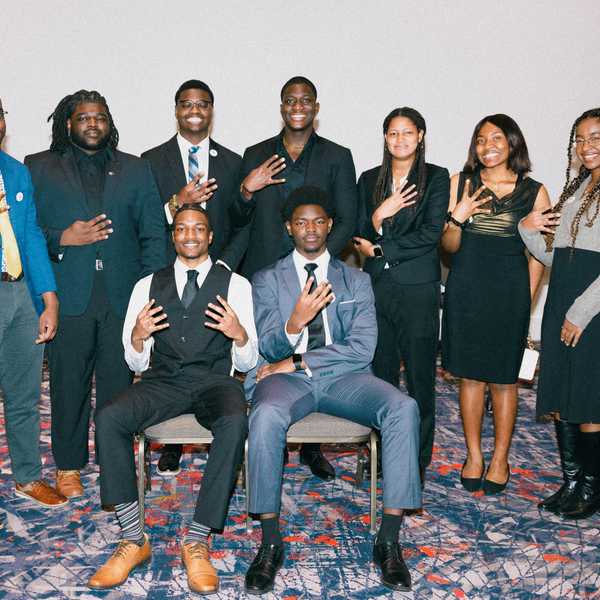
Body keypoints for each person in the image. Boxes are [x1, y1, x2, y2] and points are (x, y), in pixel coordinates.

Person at [244, 186, 421, 594]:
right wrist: (294, 323)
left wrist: (302, 361)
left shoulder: (355, 279)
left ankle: (389, 539)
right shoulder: (267, 279)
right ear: (289, 227)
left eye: (318, 221)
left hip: (344, 377)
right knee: (266, 415)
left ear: (329, 226)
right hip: (285, 381)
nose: (310, 229)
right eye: (301, 221)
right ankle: (270, 543)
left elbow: (363, 347)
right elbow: (269, 348)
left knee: (403, 407)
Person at [88, 204, 258, 592]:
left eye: (199, 228)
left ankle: (197, 540)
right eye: (182, 229)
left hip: (215, 380)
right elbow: (135, 360)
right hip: (163, 379)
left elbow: (249, 359)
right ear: (173, 235)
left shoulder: (237, 285)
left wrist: (239, 334)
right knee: (111, 417)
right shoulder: (147, 284)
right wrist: (136, 334)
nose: (190, 236)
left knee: (235, 420)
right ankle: (133, 539)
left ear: (210, 235)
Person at [25, 90, 167, 499]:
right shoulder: (39, 167)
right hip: (67, 296)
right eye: (84, 117)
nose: (93, 123)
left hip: (123, 298)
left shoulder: (135, 169)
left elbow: (153, 233)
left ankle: (114, 462)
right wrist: (63, 238)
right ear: (68, 124)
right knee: (68, 384)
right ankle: (68, 466)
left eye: (100, 116)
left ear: (110, 122)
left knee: (118, 386)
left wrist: (149, 294)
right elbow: (27, 231)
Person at [232, 76, 358, 481]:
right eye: (290, 100)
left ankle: (312, 446)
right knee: (268, 353)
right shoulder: (255, 153)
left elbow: (347, 218)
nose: (298, 106)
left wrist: (317, 264)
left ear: (316, 107)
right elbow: (237, 219)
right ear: (281, 106)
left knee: (314, 351)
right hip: (266, 277)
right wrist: (246, 191)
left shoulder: (338, 156)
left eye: (306, 100)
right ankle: (269, 434)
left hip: (317, 277)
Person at [142, 79, 247, 476]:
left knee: (213, 359)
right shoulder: (150, 161)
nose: (194, 110)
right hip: (169, 276)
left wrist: (225, 267)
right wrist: (176, 203)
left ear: (211, 110)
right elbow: (146, 220)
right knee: (170, 356)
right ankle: (170, 443)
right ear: (176, 109)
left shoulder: (234, 162)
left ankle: (217, 431)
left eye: (202, 103)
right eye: (186, 103)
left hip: (217, 274)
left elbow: (242, 224)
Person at [441, 114, 550, 494]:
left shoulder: (534, 191)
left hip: (510, 294)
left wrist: (527, 299)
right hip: (466, 289)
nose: (488, 145)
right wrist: (457, 218)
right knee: (470, 377)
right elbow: (448, 249)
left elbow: (538, 255)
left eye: (497, 138)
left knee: (505, 381)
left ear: (512, 143)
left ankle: (501, 458)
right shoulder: (461, 183)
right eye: (481, 139)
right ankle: (473, 455)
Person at [354, 107, 449, 482]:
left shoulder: (437, 178)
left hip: (417, 292)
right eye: (392, 133)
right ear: (385, 138)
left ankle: (417, 462)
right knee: (382, 379)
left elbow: (431, 233)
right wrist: (379, 216)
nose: (400, 140)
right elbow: (359, 232)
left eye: (407, 133)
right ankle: (383, 457)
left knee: (422, 380)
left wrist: (381, 249)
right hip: (377, 290)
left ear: (421, 135)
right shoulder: (369, 179)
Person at [519, 108, 600, 519]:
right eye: (581, 139)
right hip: (561, 303)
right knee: (564, 396)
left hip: (591, 311)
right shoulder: (577, 189)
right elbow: (550, 258)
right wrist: (527, 228)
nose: (588, 146)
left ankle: (591, 487)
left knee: (587, 398)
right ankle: (571, 483)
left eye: (596, 137)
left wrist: (580, 313)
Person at [0, 97, 66, 508]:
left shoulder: (17, 173)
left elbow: (33, 239)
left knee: (24, 394)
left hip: (21, 293)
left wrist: (49, 298)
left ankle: (27, 476)